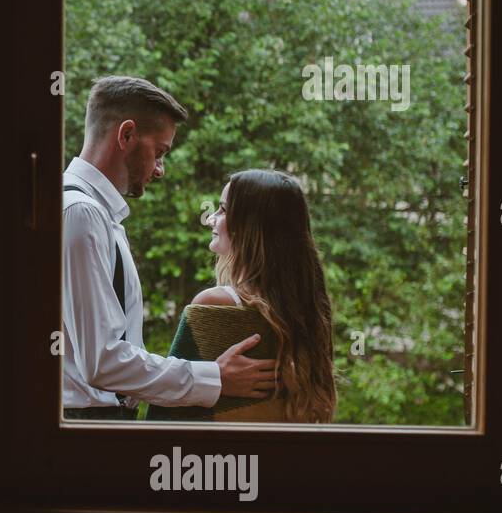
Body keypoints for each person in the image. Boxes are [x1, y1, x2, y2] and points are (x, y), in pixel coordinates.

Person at [61, 76, 277, 420]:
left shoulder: (100, 215)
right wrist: (214, 379)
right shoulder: (82, 213)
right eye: (159, 152)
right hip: (84, 422)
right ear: (126, 135)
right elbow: (102, 360)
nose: (160, 170)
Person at [143, 169, 337, 423]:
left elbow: (163, 413)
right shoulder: (305, 313)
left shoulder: (215, 304)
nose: (212, 218)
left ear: (251, 225)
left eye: (223, 210)